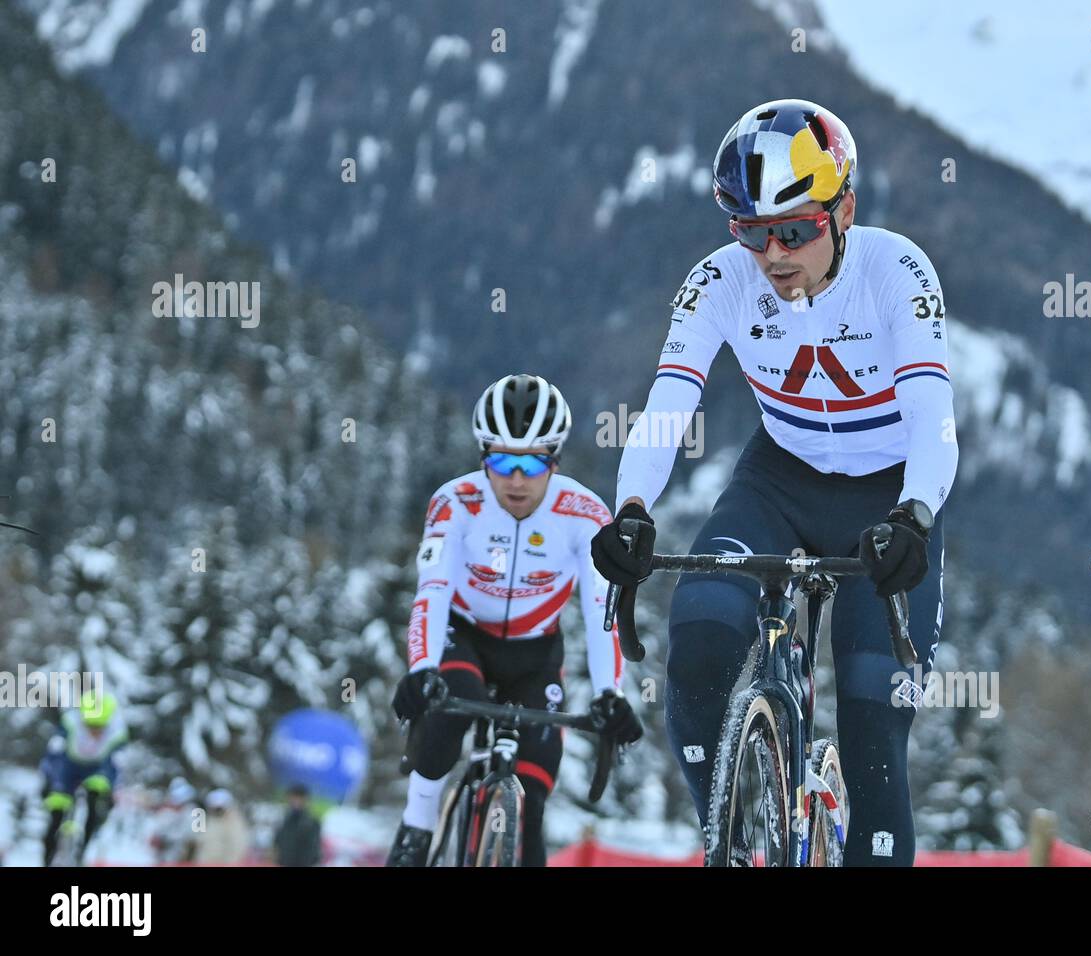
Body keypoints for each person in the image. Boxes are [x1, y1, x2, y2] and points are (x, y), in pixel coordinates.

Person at [591, 99, 958, 866]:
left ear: (844, 208)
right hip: (777, 485)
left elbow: (932, 414)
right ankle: (727, 839)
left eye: (794, 229)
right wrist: (629, 509)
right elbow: (667, 404)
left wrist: (915, 516)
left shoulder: (897, 270)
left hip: (885, 501)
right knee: (696, 642)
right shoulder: (720, 281)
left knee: (872, 722)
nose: (774, 253)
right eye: (751, 232)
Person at [387, 373, 644, 867]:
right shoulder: (454, 502)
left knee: (531, 803)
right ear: (483, 456)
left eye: (534, 462)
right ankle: (418, 824)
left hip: (535, 654)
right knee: (448, 707)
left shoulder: (584, 512)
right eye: (503, 461)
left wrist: (609, 693)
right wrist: (421, 670)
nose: (518, 479)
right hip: (462, 637)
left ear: (555, 460)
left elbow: (599, 609)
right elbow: (432, 591)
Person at [39, 692, 128, 866]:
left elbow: (116, 764)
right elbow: (54, 756)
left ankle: (83, 849)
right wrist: (50, 784)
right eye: (90, 725)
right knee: (56, 812)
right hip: (67, 768)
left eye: (99, 727)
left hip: (96, 769)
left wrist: (110, 789)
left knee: (96, 801)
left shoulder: (117, 732)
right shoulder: (70, 723)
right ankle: (47, 858)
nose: (94, 731)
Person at [194, 788, 252, 865]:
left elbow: (238, 848)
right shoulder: (209, 820)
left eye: (219, 808)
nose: (217, 810)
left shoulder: (235, 823)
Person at [150, 777, 199, 864]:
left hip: (184, 857)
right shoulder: (165, 813)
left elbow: (195, 837)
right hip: (165, 857)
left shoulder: (193, 812)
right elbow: (155, 837)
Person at [273, 783, 322, 867]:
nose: (296, 801)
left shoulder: (312, 822)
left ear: (306, 800)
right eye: (293, 797)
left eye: (299, 798)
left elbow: (313, 850)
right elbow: (278, 842)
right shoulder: (284, 819)